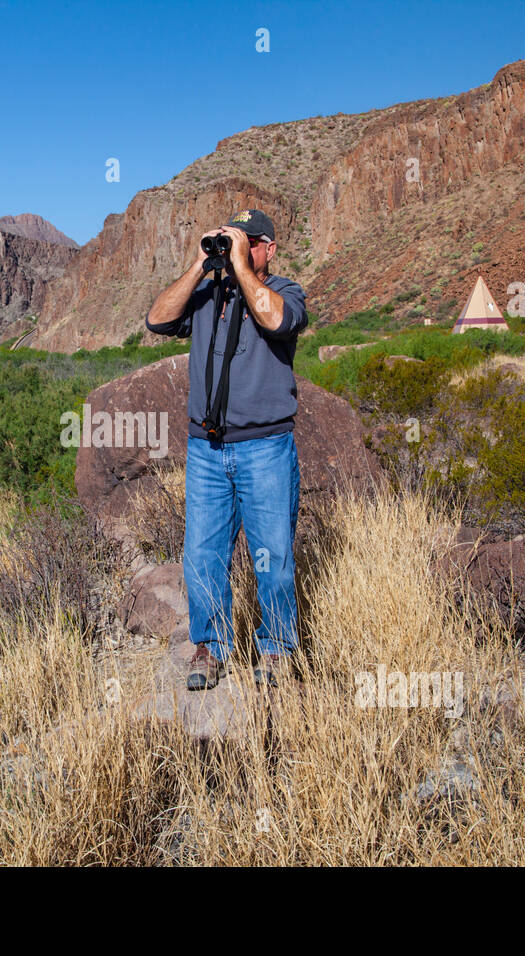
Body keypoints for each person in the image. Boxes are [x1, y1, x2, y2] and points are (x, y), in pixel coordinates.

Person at [144, 209, 308, 690]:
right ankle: (209, 647)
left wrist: (239, 265)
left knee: (272, 556)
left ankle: (276, 648)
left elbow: (275, 318)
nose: (241, 247)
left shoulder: (287, 292)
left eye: (251, 241)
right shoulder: (205, 296)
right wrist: (200, 264)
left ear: (270, 248)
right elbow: (156, 319)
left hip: (265, 448)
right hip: (207, 451)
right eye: (233, 239)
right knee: (202, 555)